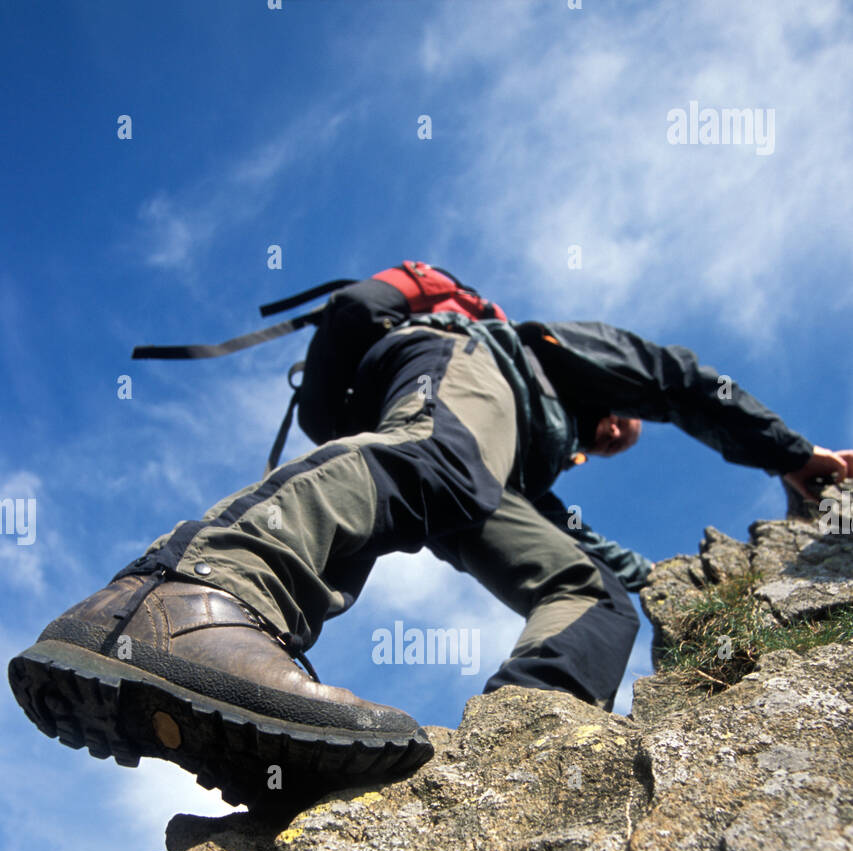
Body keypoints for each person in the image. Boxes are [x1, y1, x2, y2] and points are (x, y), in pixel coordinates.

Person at [8, 281, 852, 807]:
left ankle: (520, 737)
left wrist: (687, 591)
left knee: (593, 592)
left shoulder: (540, 450)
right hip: (453, 375)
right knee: (439, 460)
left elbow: (579, 540)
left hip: (491, 474)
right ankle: (187, 596)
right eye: (621, 425)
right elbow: (680, 378)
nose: (624, 431)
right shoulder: (553, 352)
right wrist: (793, 457)